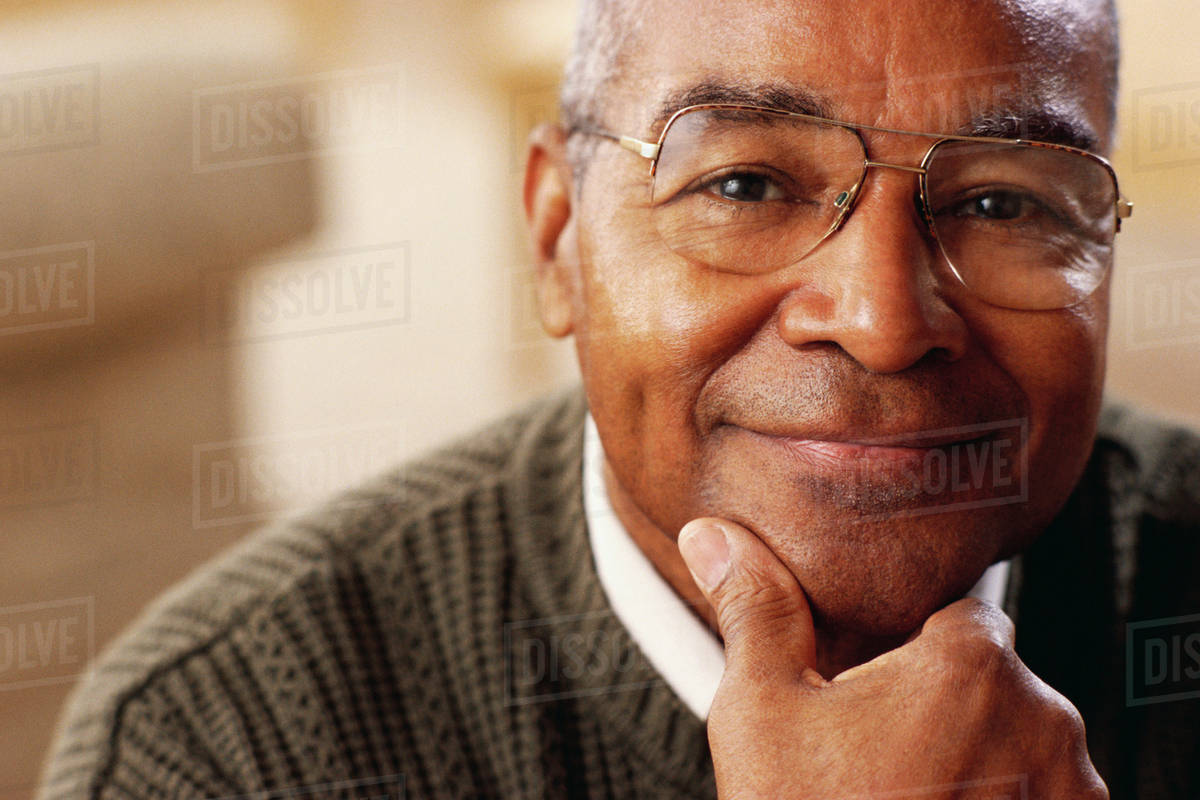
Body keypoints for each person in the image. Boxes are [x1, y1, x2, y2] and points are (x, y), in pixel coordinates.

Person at [37, 0, 1200, 798]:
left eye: (1004, 204)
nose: (883, 320)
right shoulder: (223, 738)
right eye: (745, 183)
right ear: (557, 242)